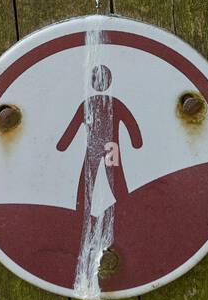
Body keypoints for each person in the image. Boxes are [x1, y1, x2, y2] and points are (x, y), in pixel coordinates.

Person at [56, 64, 143, 211]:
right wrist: (136, 142)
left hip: (103, 148)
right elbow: (130, 123)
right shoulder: (107, 103)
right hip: (105, 147)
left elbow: (130, 122)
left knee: (100, 178)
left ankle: (88, 208)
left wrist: (62, 145)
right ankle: (114, 206)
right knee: (101, 177)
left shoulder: (93, 104)